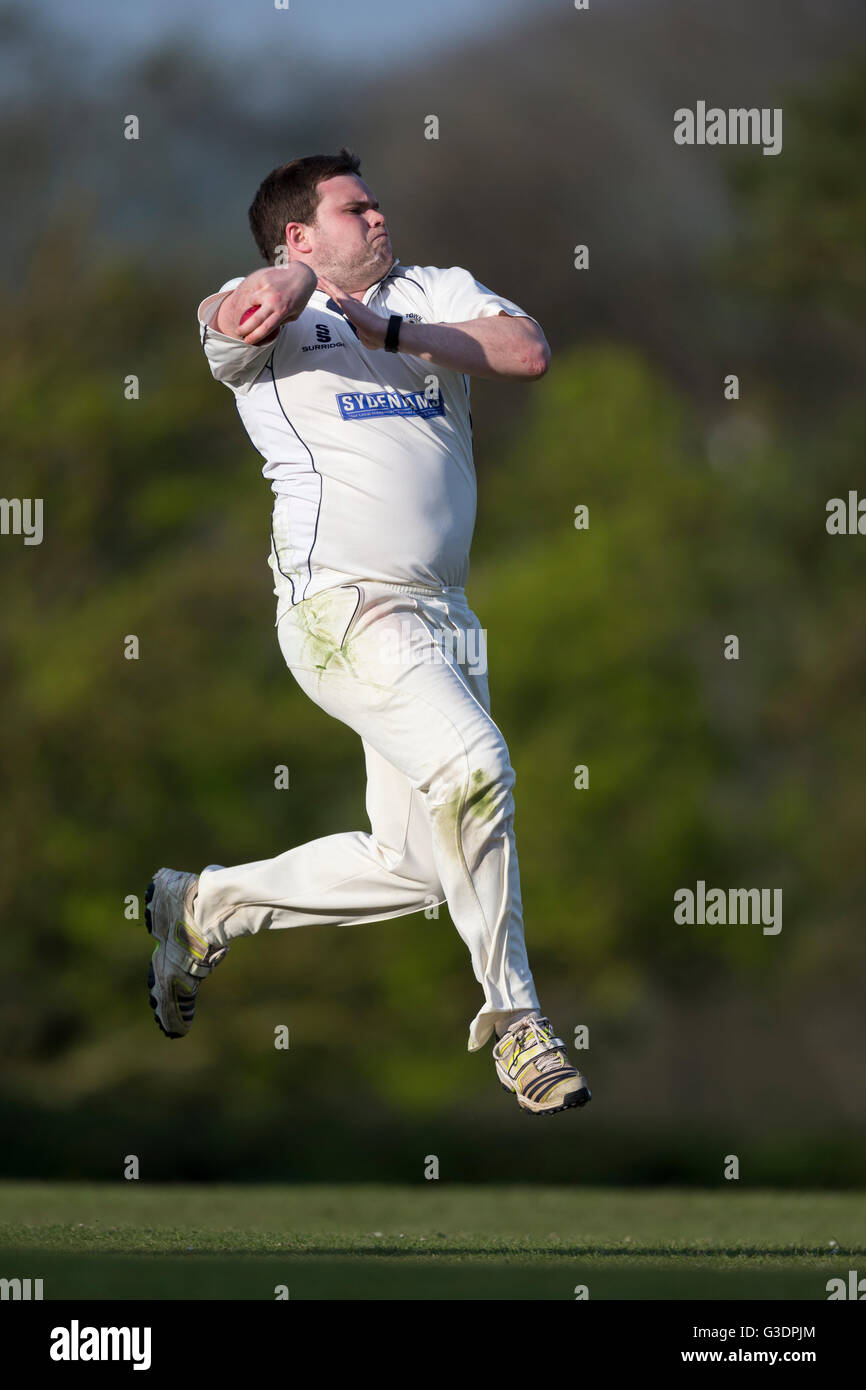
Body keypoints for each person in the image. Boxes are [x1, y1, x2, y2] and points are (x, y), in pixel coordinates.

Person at [145, 148, 591, 1117]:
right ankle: (515, 1021)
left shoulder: (428, 292)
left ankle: (203, 905)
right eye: (356, 208)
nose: (380, 217)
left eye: (378, 202)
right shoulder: (260, 300)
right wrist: (295, 279)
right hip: (343, 606)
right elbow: (232, 319)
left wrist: (389, 327)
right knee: (474, 767)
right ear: (298, 234)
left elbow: (525, 351)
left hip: (444, 614)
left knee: (425, 863)